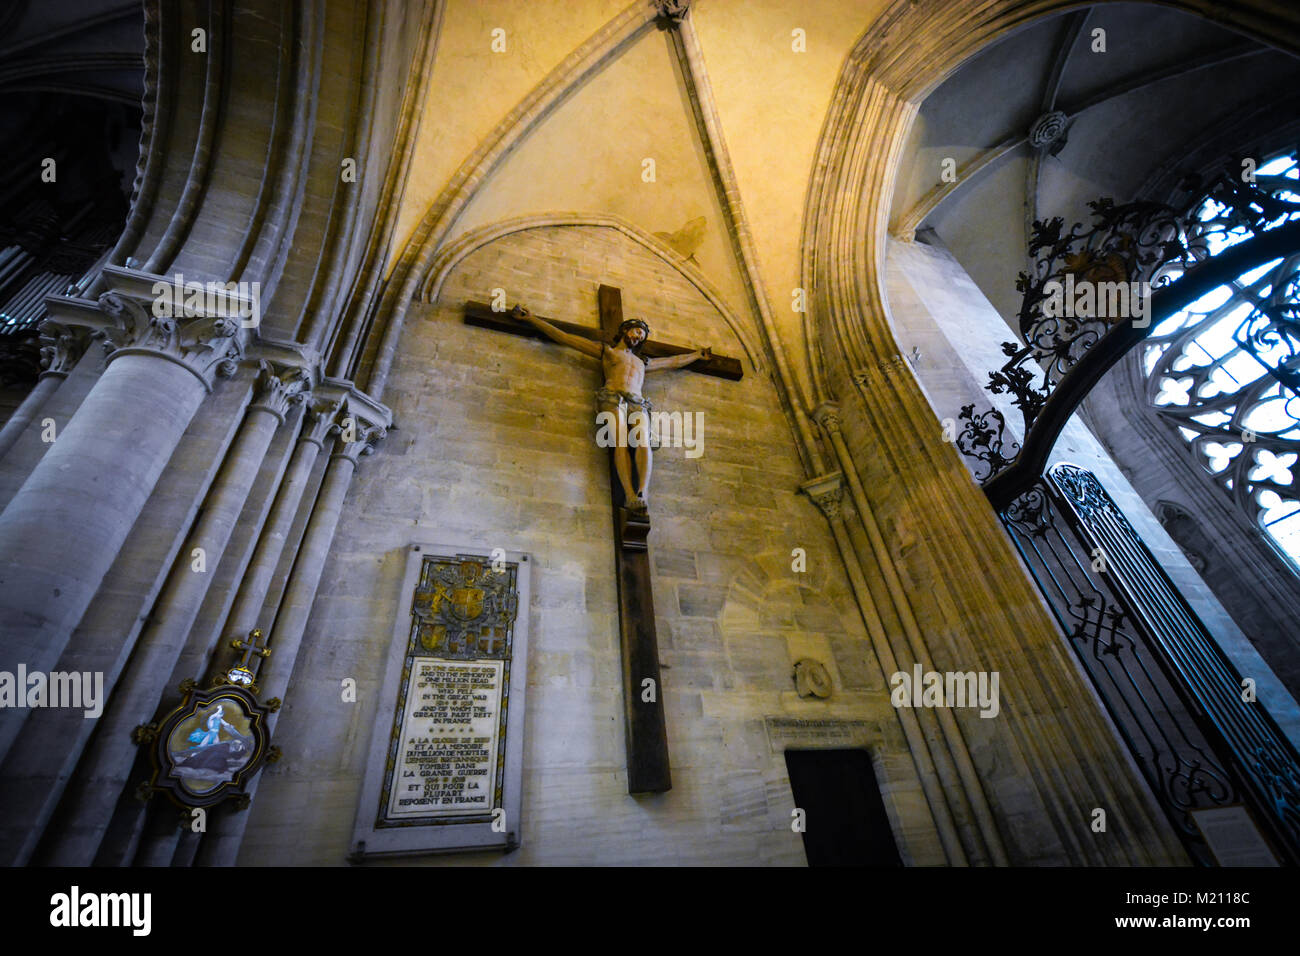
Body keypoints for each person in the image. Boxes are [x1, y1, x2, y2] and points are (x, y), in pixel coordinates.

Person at [510, 305, 710, 515]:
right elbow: (566, 338)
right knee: (620, 442)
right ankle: (629, 495)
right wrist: (532, 319)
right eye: (636, 332)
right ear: (625, 330)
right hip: (613, 398)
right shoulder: (608, 351)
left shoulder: (643, 362)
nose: (638, 338)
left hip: (637, 402)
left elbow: (673, 362)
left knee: (644, 442)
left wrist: (697, 355)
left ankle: (643, 492)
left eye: (641, 337)